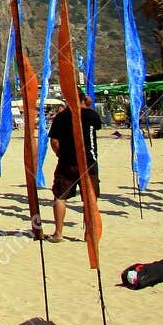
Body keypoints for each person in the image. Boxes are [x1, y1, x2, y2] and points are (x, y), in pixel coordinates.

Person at [48, 91, 103, 242]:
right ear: (83, 98)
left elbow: (54, 141)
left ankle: (59, 233)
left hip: (68, 162)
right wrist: (88, 104)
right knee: (90, 199)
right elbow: (97, 125)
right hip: (88, 162)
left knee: (60, 196)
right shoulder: (91, 115)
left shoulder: (61, 116)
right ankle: (89, 235)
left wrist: (61, 154)